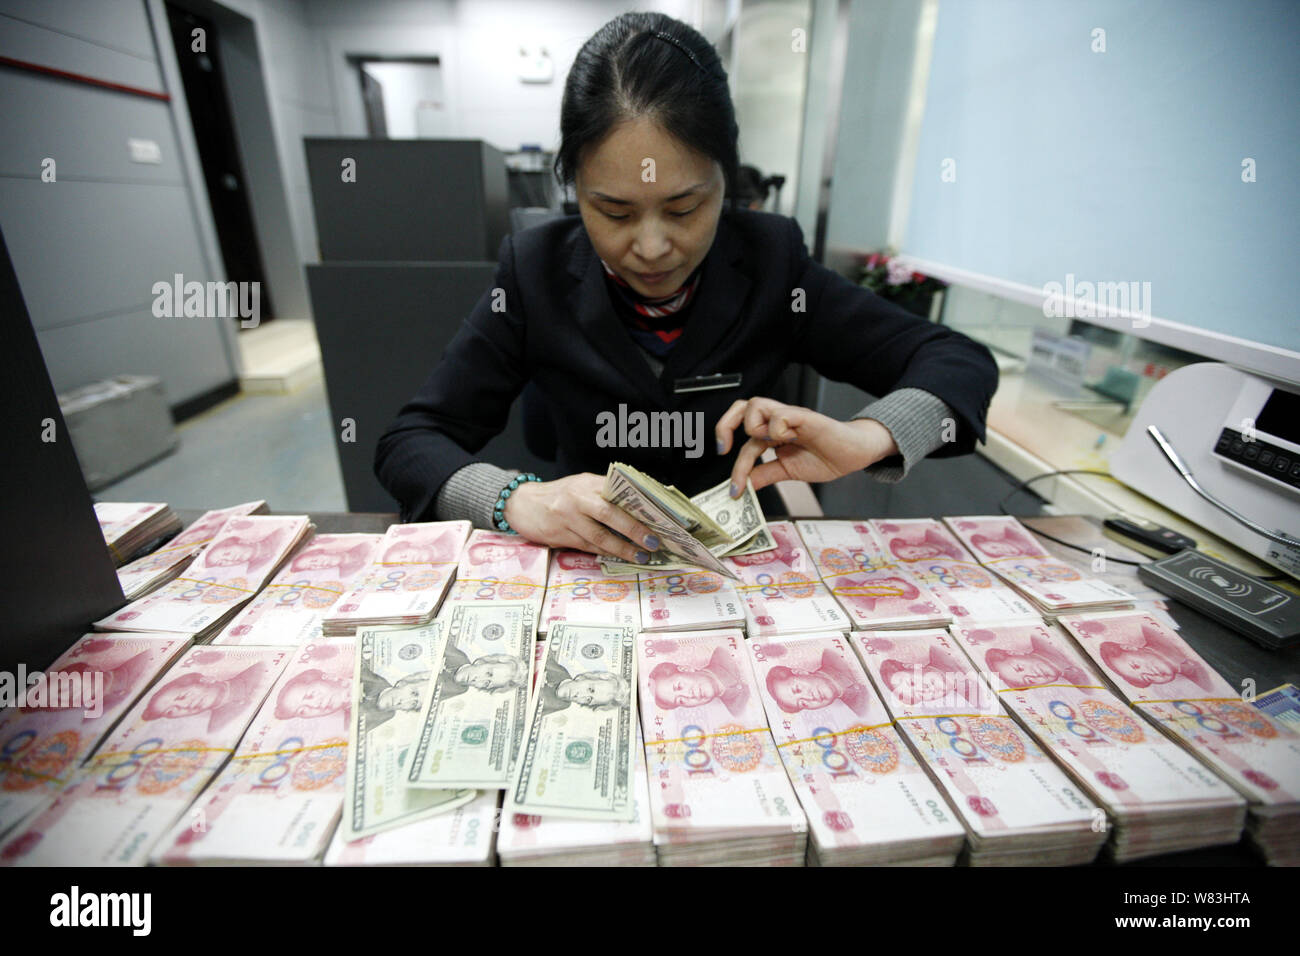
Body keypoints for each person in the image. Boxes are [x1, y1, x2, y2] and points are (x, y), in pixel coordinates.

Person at [375, 12, 997, 568]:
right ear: (572, 188)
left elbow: (960, 362)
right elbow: (410, 442)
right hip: (590, 560)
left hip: (740, 563)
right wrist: (516, 499)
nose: (650, 248)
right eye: (614, 212)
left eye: (683, 208)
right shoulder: (535, 273)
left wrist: (866, 438)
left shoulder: (770, 265)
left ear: (727, 181)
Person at [765, 649, 872, 717]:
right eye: (803, 703)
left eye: (797, 689)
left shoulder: (834, 654)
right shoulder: (861, 709)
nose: (809, 698)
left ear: (800, 672)